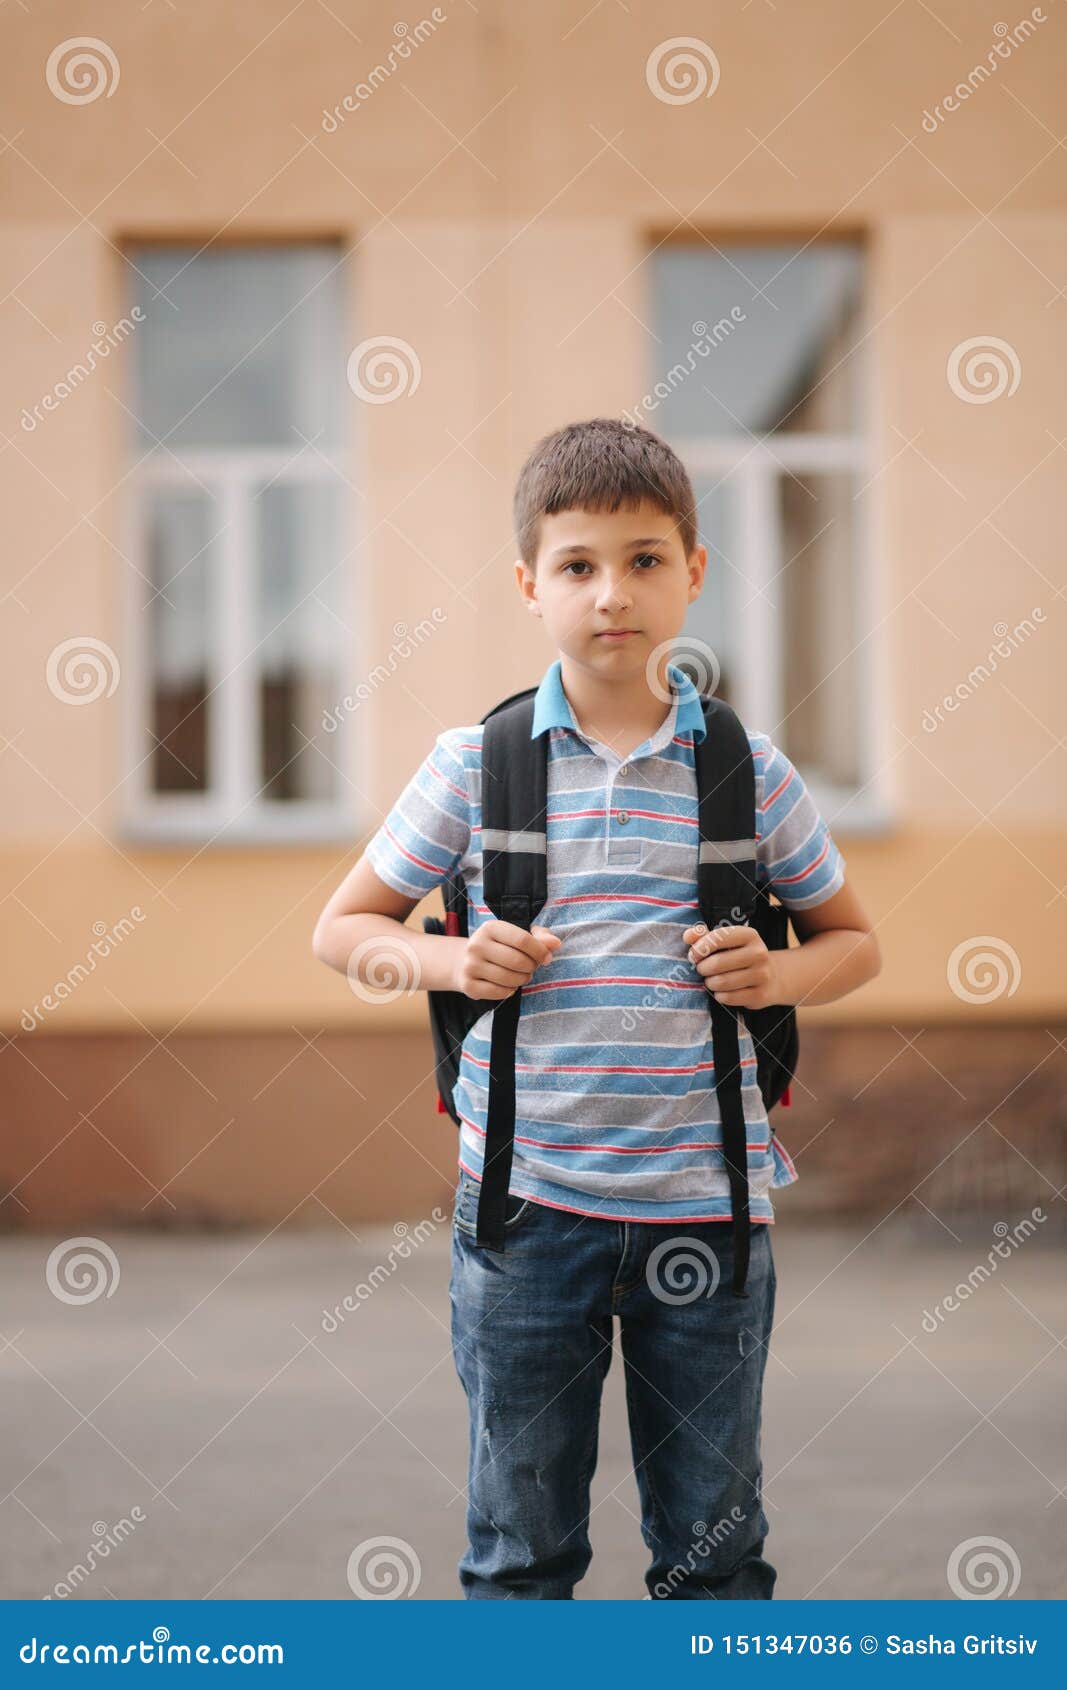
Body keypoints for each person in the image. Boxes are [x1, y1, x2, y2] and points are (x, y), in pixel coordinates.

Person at [312, 417, 881, 1599]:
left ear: (693, 573)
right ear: (530, 582)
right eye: (576, 565)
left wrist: (774, 976)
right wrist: (449, 962)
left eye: (642, 559)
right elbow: (344, 931)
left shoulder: (747, 770)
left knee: (713, 1561)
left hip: (710, 1217)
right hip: (524, 1217)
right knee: (520, 1557)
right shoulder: (475, 763)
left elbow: (852, 944)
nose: (610, 592)